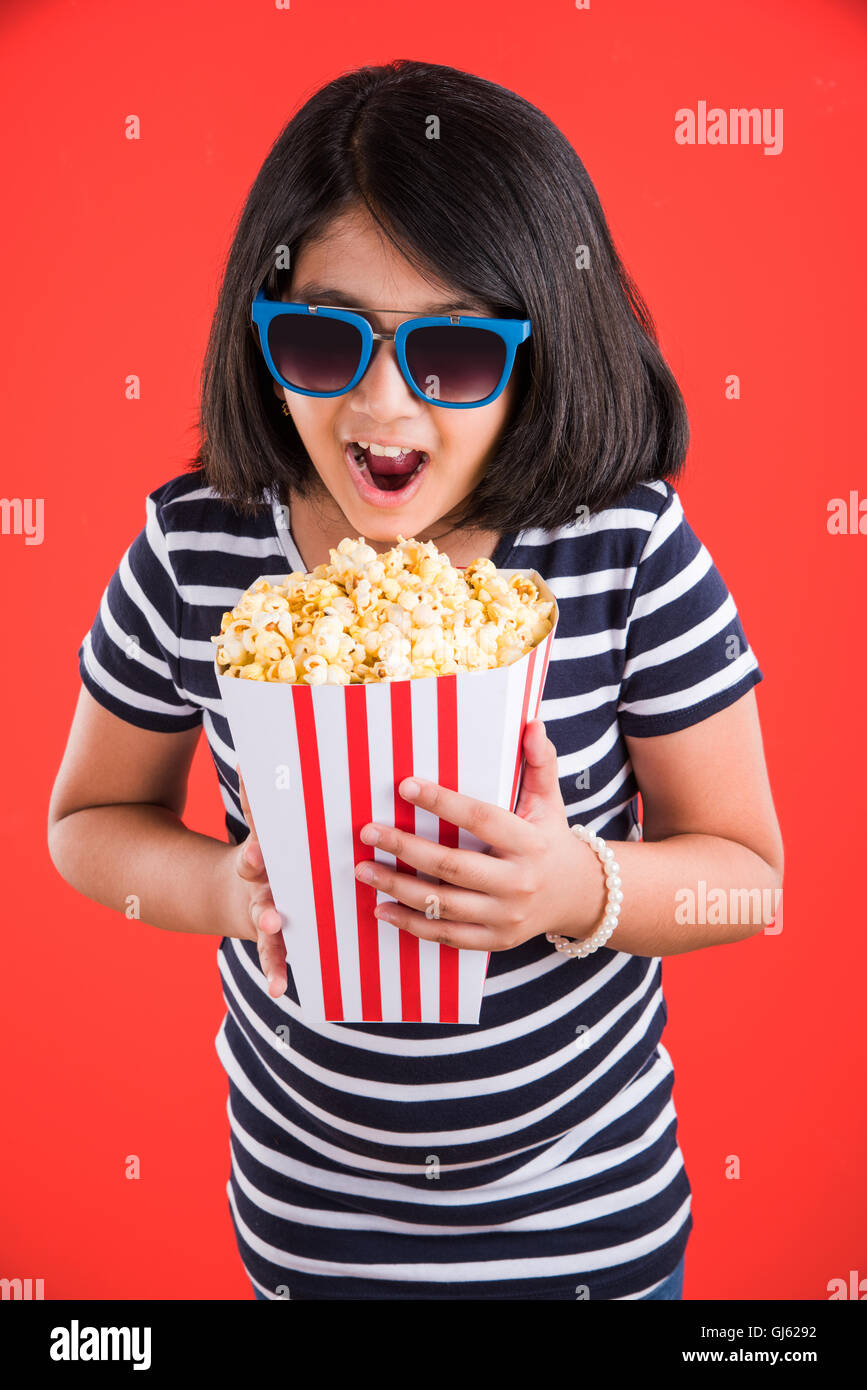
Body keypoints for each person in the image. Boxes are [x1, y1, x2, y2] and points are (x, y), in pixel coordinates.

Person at [47, 59, 783, 1301]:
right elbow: (86, 824)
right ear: (261, 329)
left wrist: (569, 885)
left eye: (451, 353)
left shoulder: (623, 548)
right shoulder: (198, 552)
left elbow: (748, 879)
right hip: (307, 1208)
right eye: (327, 338)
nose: (382, 407)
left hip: (582, 1208)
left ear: (543, 349)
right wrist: (218, 887)